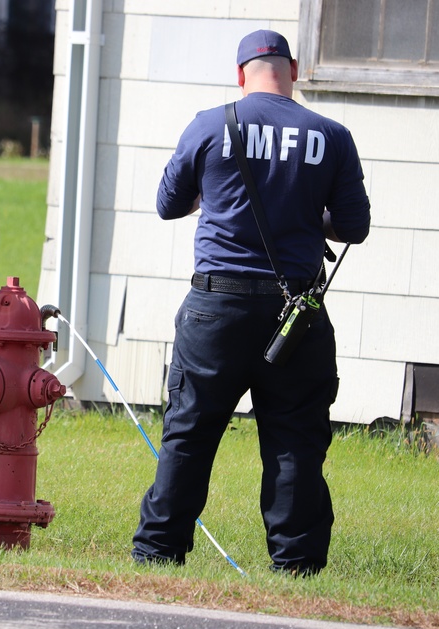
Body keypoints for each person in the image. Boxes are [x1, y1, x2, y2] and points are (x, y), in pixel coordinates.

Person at [131, 30, 370, 576]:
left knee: (189, 433)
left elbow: (168, 204)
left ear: (241, 74)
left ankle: (157, 554)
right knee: (294, 441)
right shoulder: (332, 135)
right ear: (295, 69)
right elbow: (354, 226)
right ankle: (297, 565)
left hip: (217, 307)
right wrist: (311, 218)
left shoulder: (210, 124)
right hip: (296, 317)